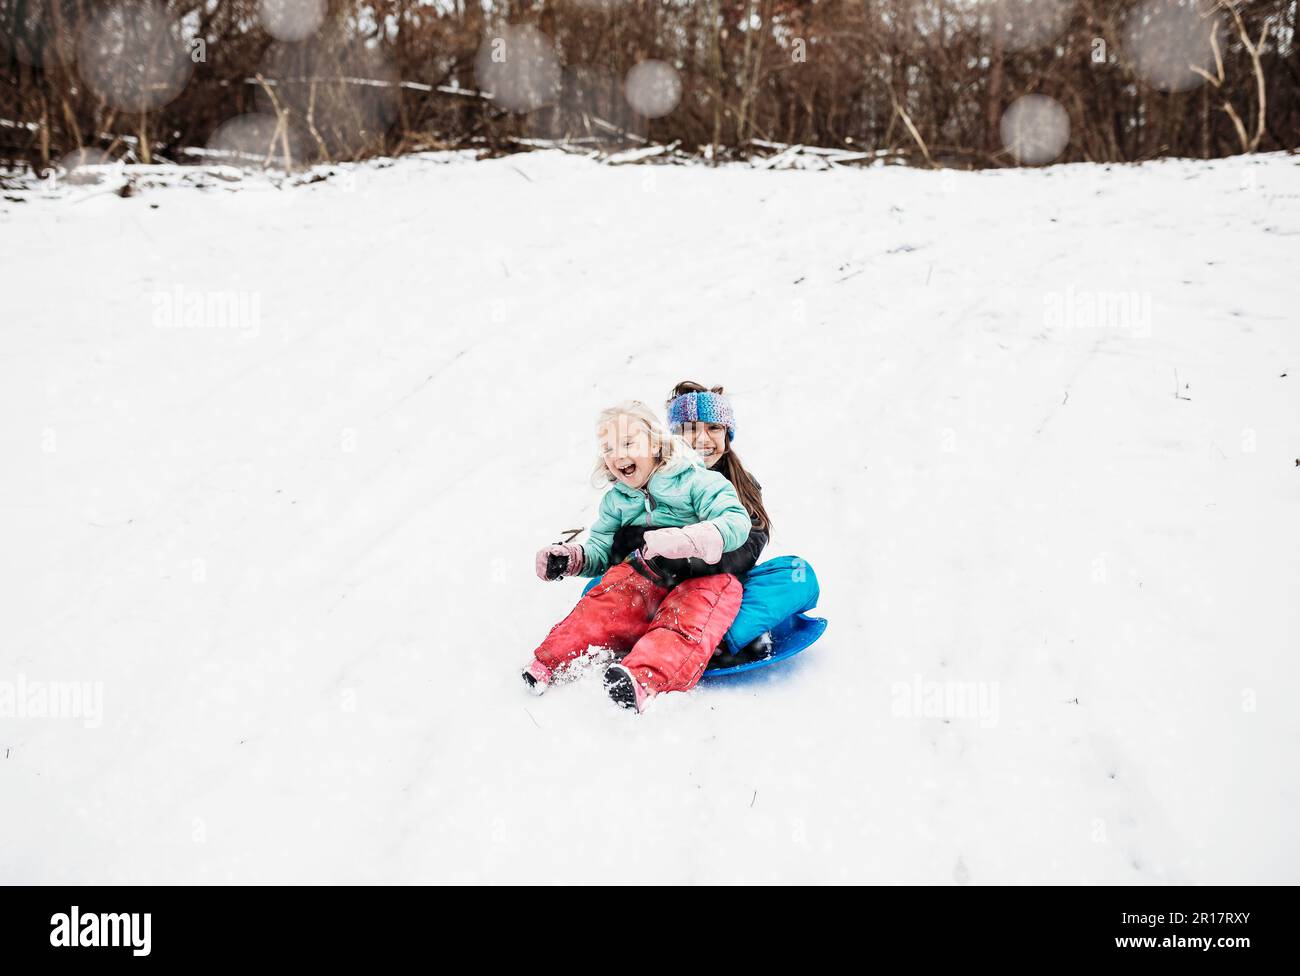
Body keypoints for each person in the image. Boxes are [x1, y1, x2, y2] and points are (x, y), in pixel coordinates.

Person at [523, 401, 750, 711]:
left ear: (656, 443)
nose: (618, 454)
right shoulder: (616, 500)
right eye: (608, 448)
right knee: (604, 603)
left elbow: (736, 519)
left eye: (628, 443)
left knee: (687, 621)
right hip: (648, 573)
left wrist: (692, 539)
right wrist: (573, 558)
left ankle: (642, 679)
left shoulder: (695, 480)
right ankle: (550, 661)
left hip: (707, 577)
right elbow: (600, 549)